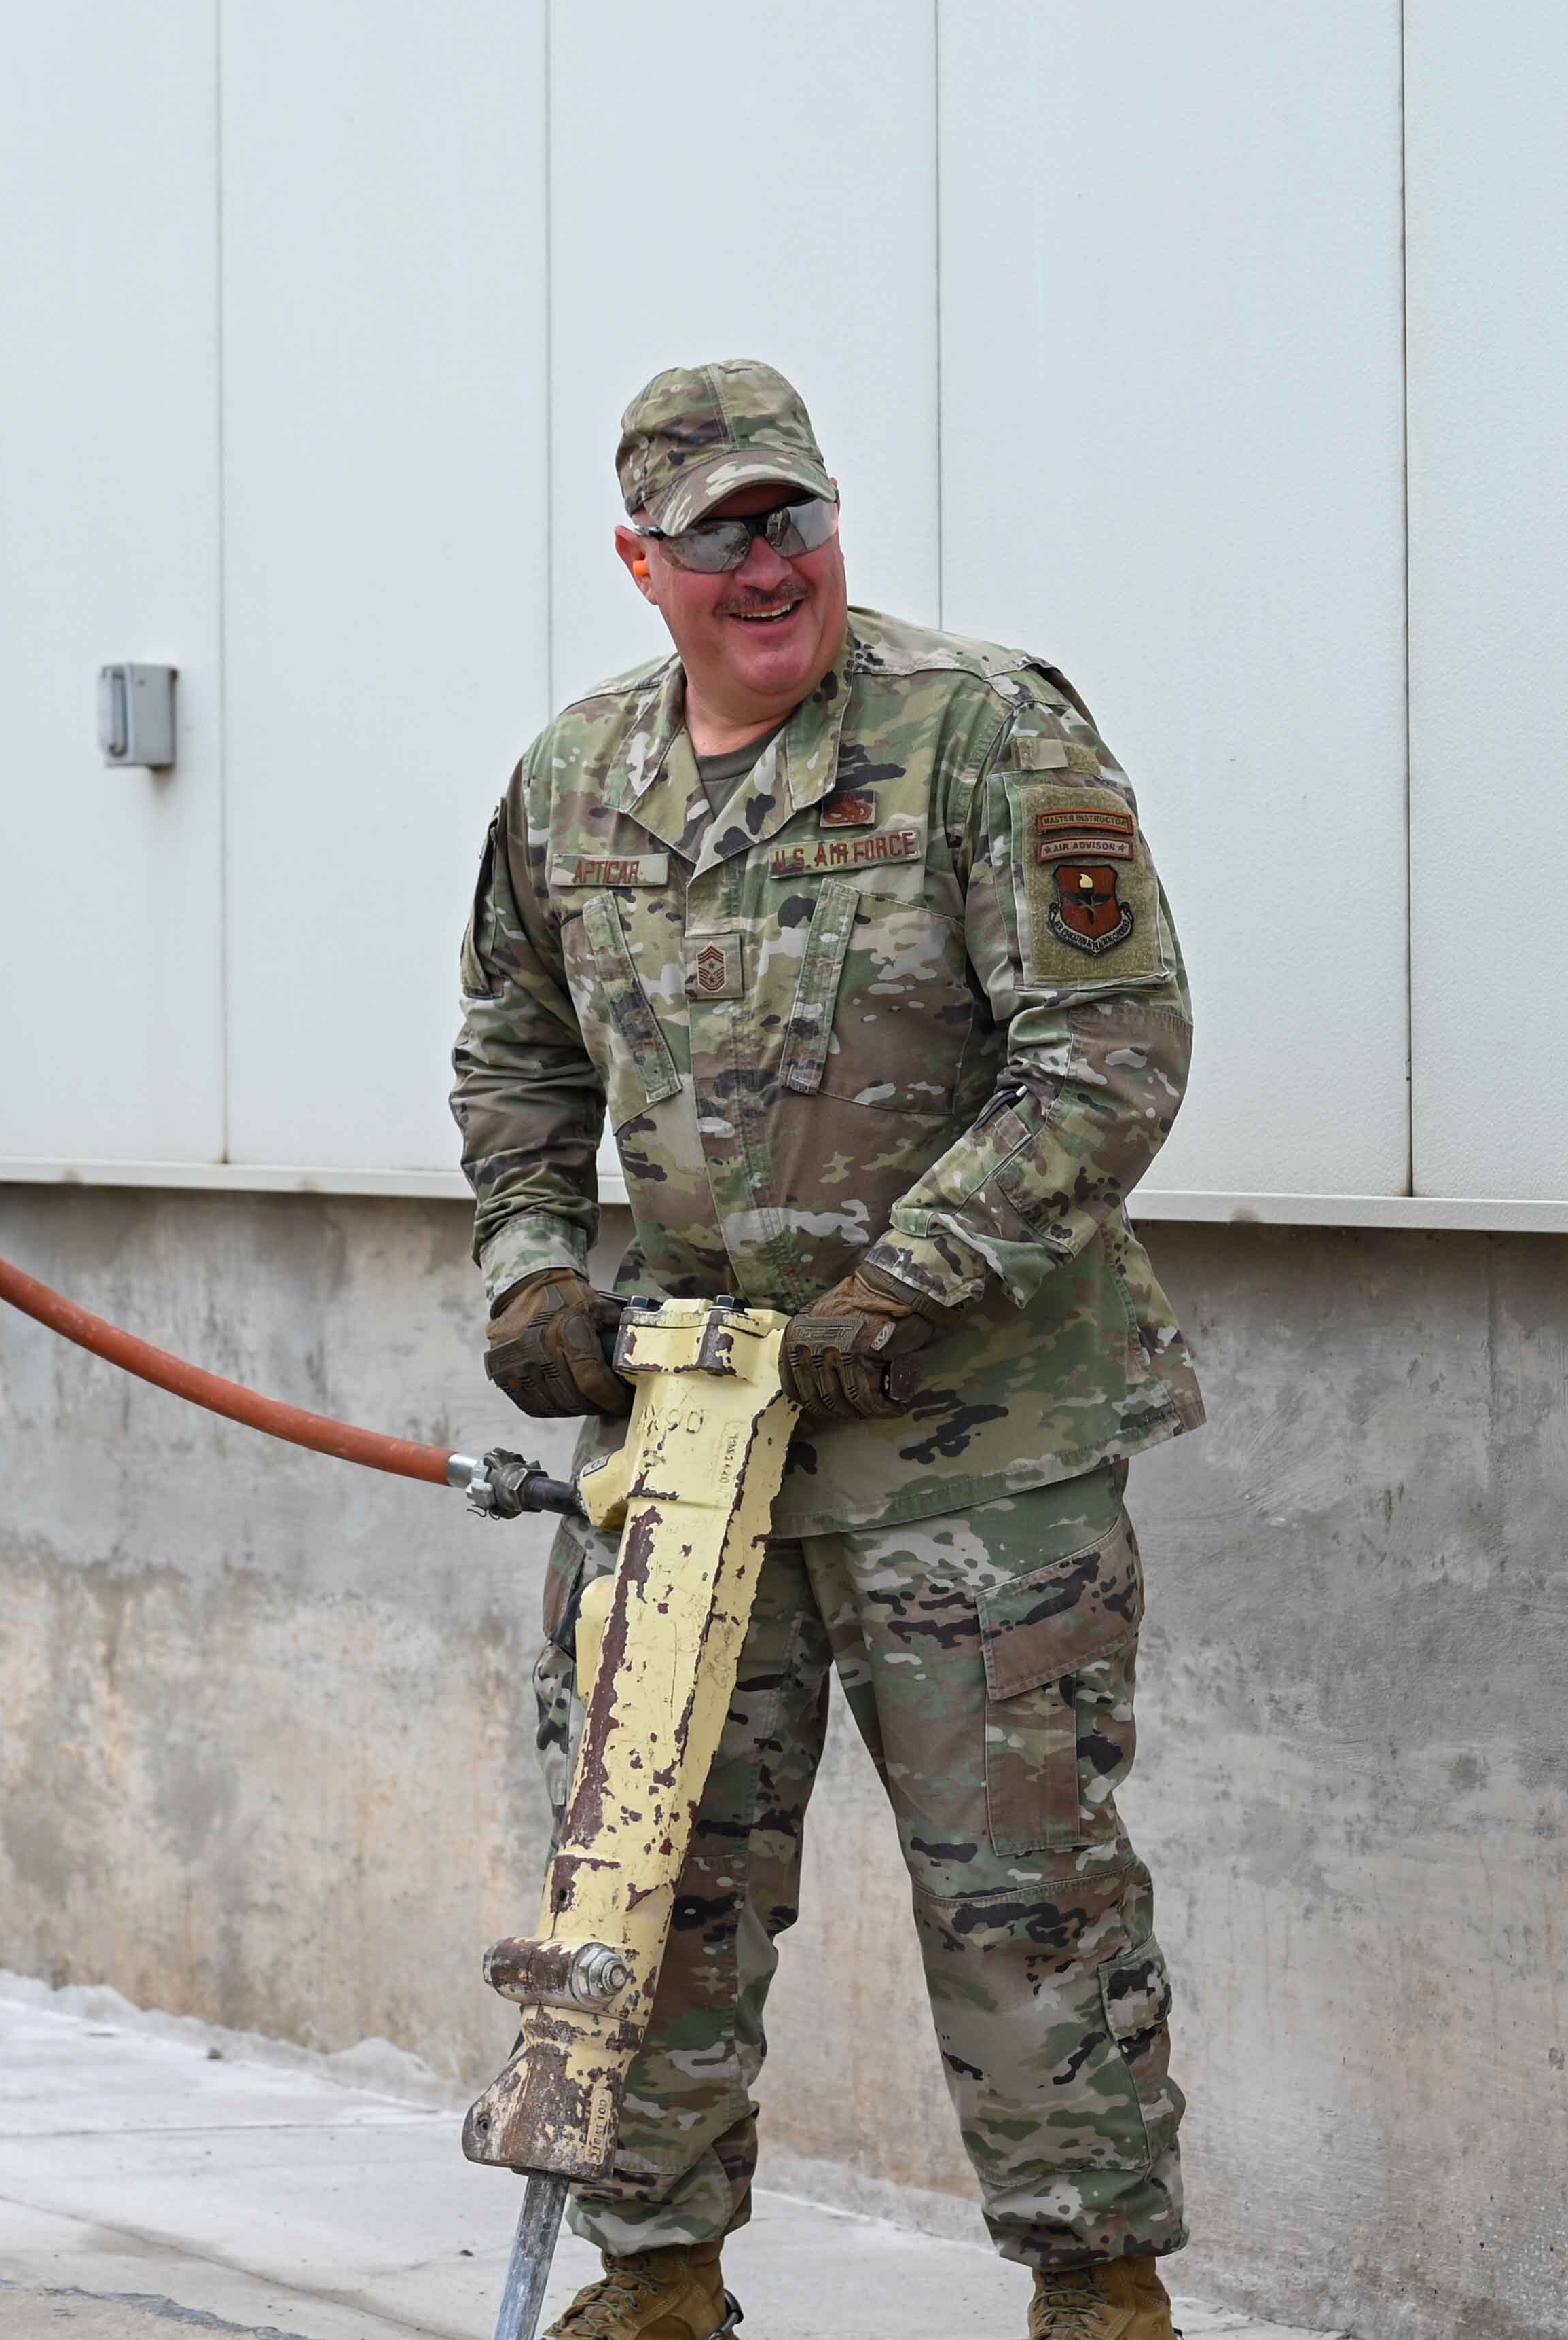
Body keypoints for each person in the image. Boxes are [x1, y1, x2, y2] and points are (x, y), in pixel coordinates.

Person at [453, 359, 1206, 2340]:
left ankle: (1097, 2294)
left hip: (971, 1449)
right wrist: (534, 1272)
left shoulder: (983, 735)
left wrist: (906, 1287)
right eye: (717, 535)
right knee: (652, 1878)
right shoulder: (569, 779)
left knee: (1023, 1905)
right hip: (689, 1448)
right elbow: (513, 1050)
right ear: (643, 562)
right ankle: (659, 2284)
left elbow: (1109, 1053)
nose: (766, 563)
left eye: (791, 518)